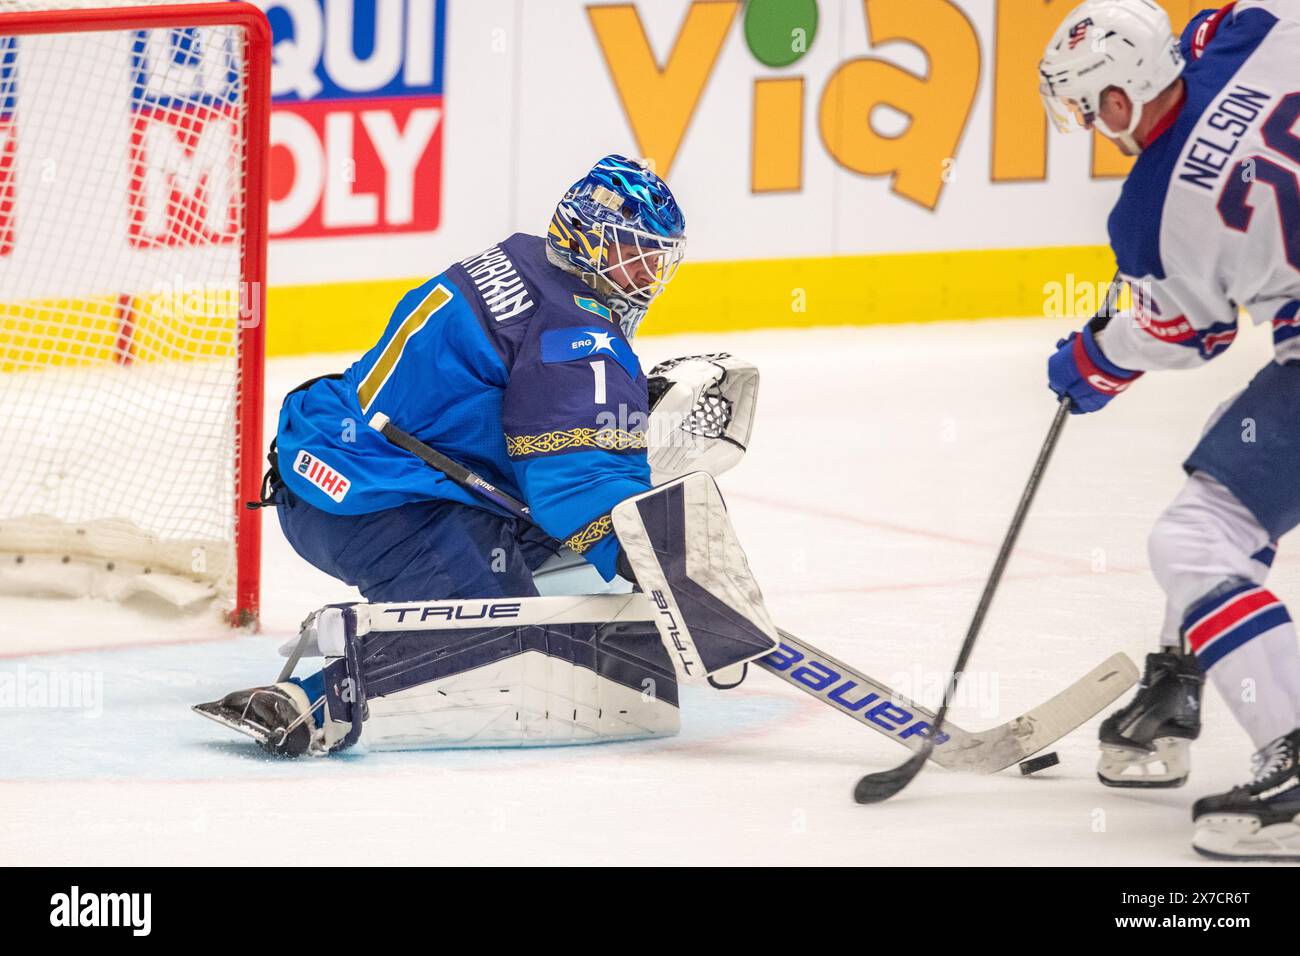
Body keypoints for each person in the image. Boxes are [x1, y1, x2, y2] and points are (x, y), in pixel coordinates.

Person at [196, 156, 774, 757]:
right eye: (636, 255)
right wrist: (659, 563)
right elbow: (574, 485)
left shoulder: (520, 260)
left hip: (325, 470)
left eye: (657, 259)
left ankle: (447, 592)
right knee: (503, 639)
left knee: (552, 555)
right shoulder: (578, 338)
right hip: (378, 506)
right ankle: (315, 701)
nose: (647, 275)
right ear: (591, 240)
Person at [1039, 0, 1300, 859]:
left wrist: (1091, 358)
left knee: (1194, 541)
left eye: (1088, 110)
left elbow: (1193, 334)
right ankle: (1176, 684)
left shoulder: (1149, 210)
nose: (1091, 128)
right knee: (1232, 453)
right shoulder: (1256, 32)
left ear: (1119, 102)